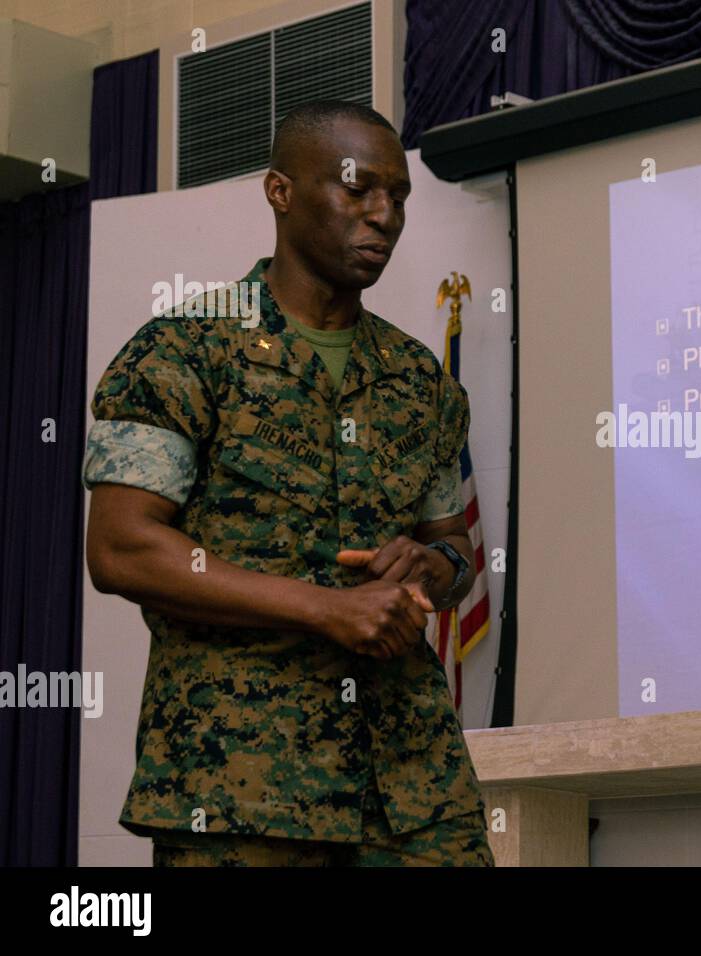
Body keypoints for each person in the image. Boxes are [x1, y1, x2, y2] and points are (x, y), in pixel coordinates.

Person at [82, 100, 494, 866]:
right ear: (280, 192)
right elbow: (121, 550)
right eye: (357, 188)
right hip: (242, 789)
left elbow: (453, 550)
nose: (383, 216)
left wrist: (428, 570)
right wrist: (326, 610)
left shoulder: (419, 383)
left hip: (413, 793)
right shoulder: (181, 352)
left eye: (397, 196)